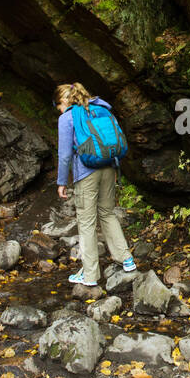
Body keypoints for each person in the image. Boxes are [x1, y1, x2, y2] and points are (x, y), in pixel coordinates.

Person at [55, 83, 136, 287]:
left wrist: (62, 182)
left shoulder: (68, 117)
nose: (60, 110)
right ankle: (126, 259)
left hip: (86, 173)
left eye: (58, 106)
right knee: (107, 213)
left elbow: (65, 155)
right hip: (108, 168)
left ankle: (90, 275)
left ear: (64, 101)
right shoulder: (101, 109)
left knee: (87, 222)